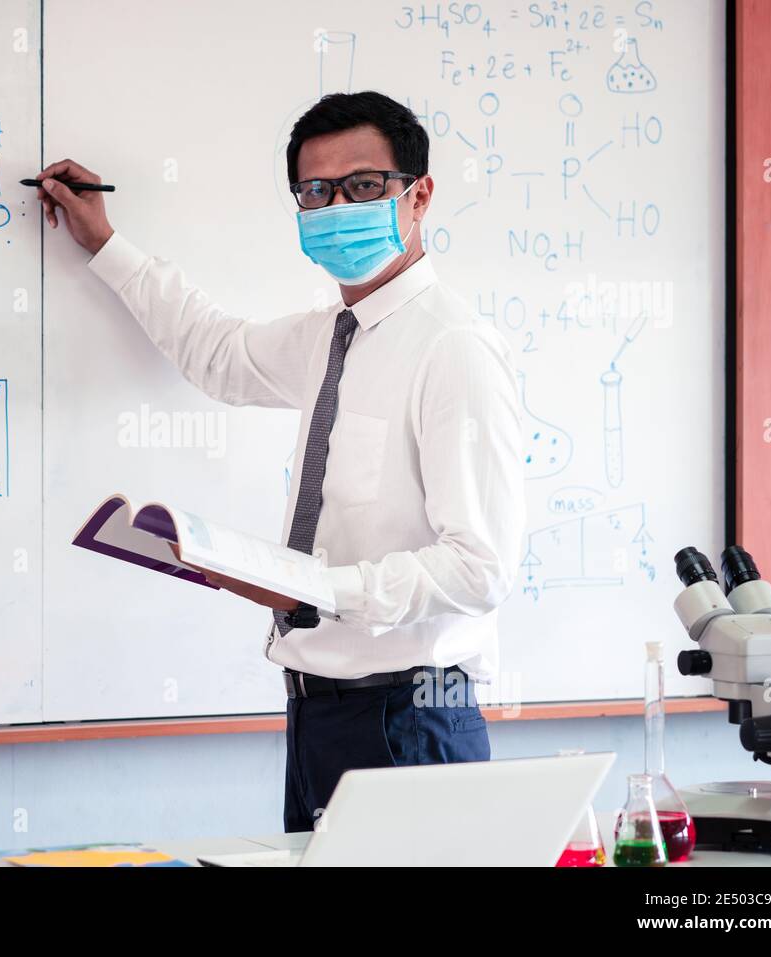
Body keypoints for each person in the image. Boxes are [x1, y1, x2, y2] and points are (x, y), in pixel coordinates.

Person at [34, 91, 525, 832]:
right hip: (317, 713)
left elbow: (480, 566)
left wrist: (321, 586)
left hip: (408, 722)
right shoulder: (330, 334)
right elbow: (217, 353)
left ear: (418, 195)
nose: (336, 207)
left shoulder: (451, 347)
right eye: (315, 192)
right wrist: (106, 243)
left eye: (362, 187)